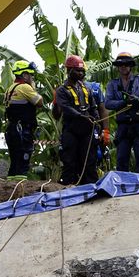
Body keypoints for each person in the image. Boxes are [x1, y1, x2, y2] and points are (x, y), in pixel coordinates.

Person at [54, 55, 100, 185]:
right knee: (69, 160)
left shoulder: (86, 89)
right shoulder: (62, 90)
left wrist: (96, 120)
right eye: (77, 71)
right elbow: (66, 107)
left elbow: (93, 106)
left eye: (82, 71)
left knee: (89, 160)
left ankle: (91, 185)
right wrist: (81, 116)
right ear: (69, 71)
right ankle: (69, 186)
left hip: (87, 130)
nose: (80, 73)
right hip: (71, 130)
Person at [104, 52, 139, 173]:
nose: (123, 67)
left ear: (130, 66)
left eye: (126, 65)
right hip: (123, 126)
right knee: (121, 159)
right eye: (120, 65)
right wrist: (124, 103)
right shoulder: (113, 84)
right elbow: (108, 103)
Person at [4, 60, 43, 177]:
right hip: (23, 130)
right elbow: (39, 102)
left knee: (14, 161)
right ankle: (21, 188)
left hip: (11, 128)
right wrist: (33, 87)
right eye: (30, 75)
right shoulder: (25, 87)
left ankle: (10, 186)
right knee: (23, 161)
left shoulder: (10, 88)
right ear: (24, 74)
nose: (31, 77)